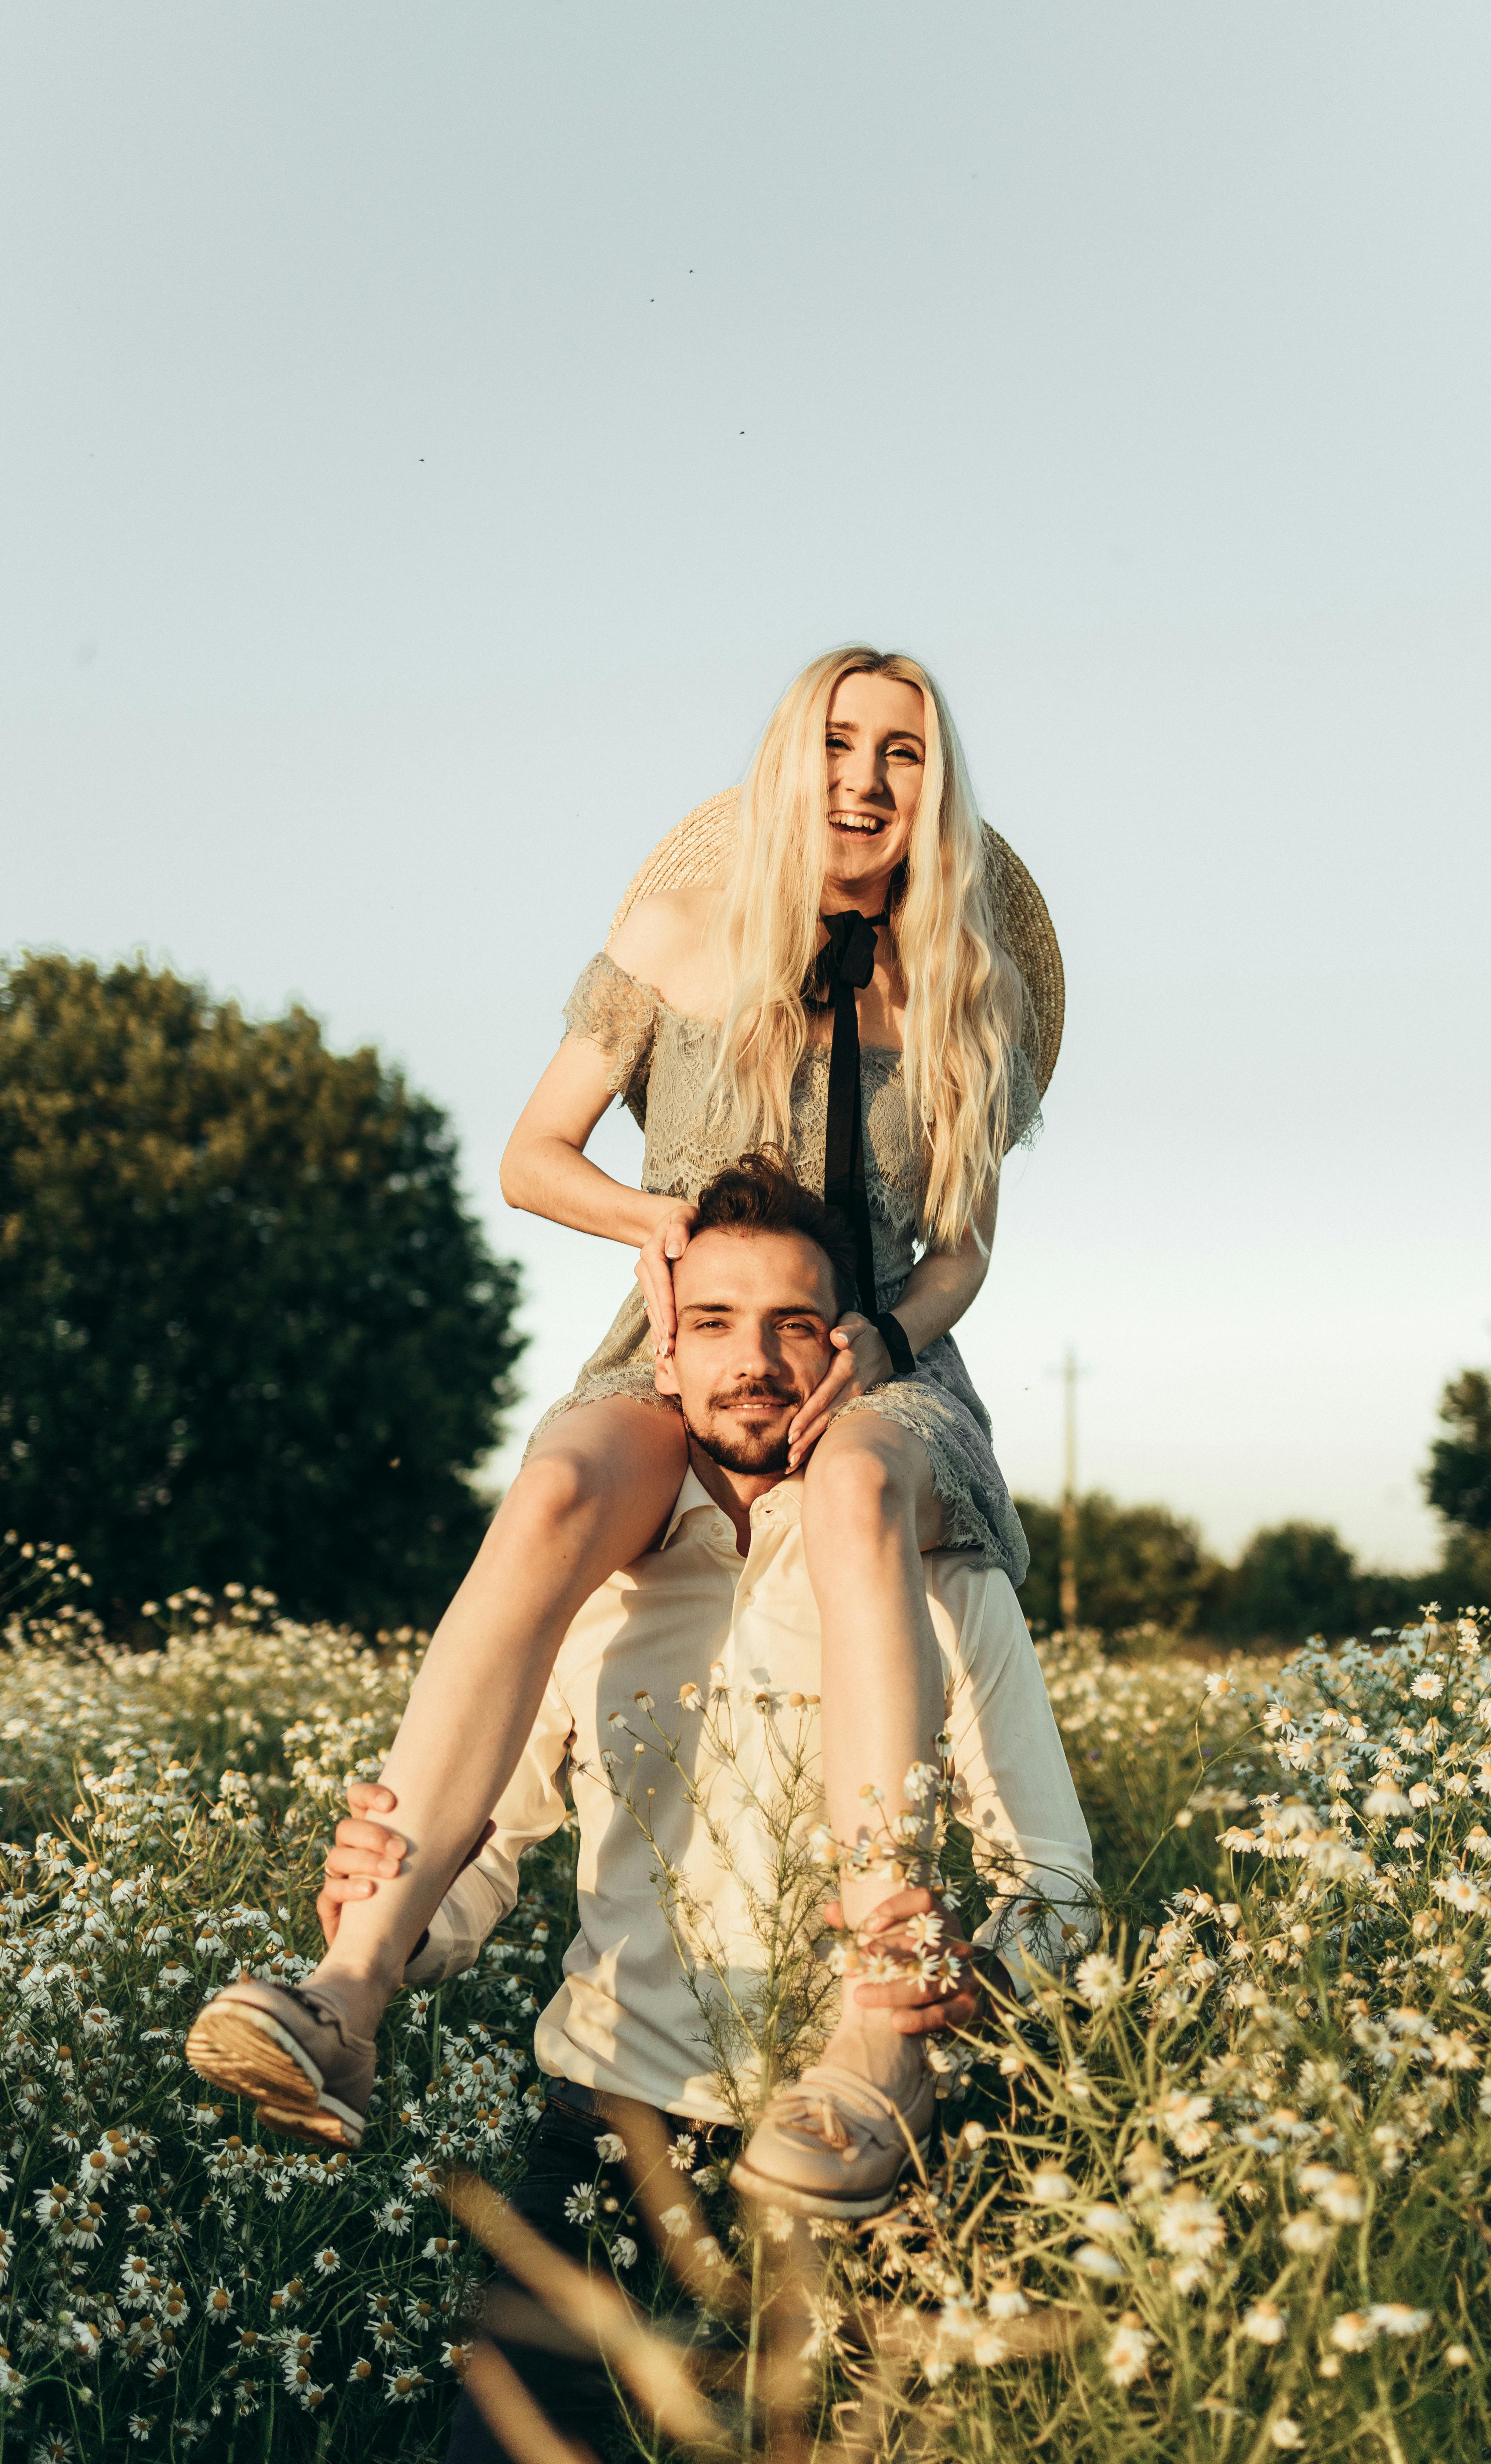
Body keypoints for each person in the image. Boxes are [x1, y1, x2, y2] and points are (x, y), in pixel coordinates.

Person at [186, 646, 1062, 2208]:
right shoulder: (676, 937)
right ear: (791, 763)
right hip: (681, 1341)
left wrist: (884, 1335)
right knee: (555, 1482)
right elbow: (533, 1156)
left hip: (879, 1357)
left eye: (906, 753)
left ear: (941, 787)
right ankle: (353, 1982)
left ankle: (883, 2019)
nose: (867, 778)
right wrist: (661, 1222)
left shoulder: (964, 993)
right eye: (841, 743)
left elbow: (964, 1251)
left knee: (858, 1484)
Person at [318, 1160, 1093, 2455]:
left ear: (849, 1348)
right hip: (606, 2137)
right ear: (659, 1354)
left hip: (867, 2151)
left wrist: (981, 1973)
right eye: (717, 1323)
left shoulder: (944, 1581)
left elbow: (1056, 1877)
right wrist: (383, 1910)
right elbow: (486, 1860)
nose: (759, 1359)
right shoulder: (591, 1585)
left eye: (797, 1322)